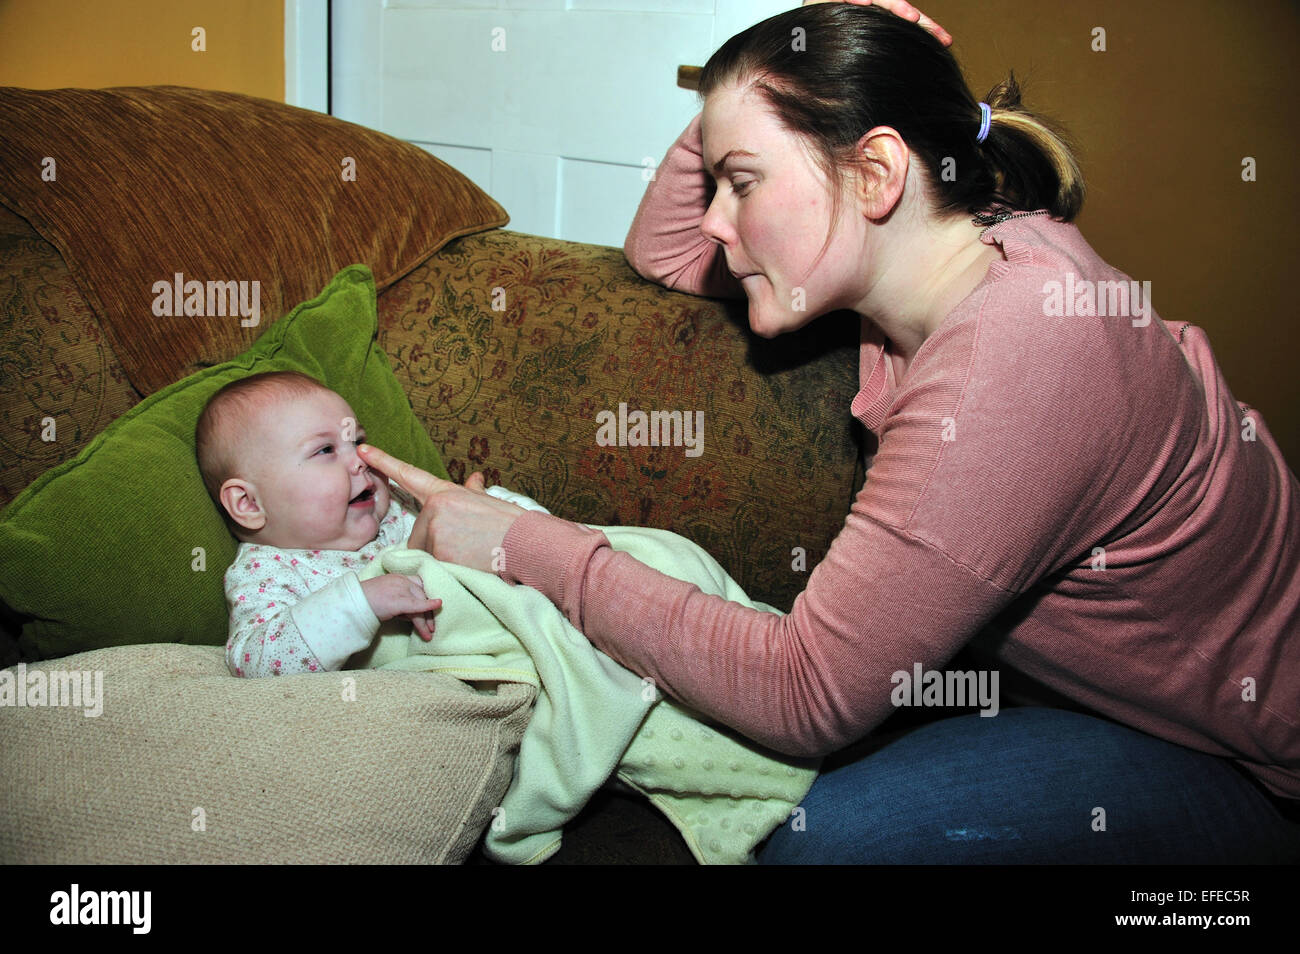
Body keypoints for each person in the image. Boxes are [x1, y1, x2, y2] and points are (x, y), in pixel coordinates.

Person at [358, 1, 1300, 862]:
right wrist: (746, 96)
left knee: (828, 843)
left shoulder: (1020, 356)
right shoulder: (960, 239)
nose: (715, 222)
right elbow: (664, 253)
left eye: (742, 183)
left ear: (877, 174)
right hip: (1092, 702)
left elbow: (805, 695)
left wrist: (522, 542)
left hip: (1241, 761)